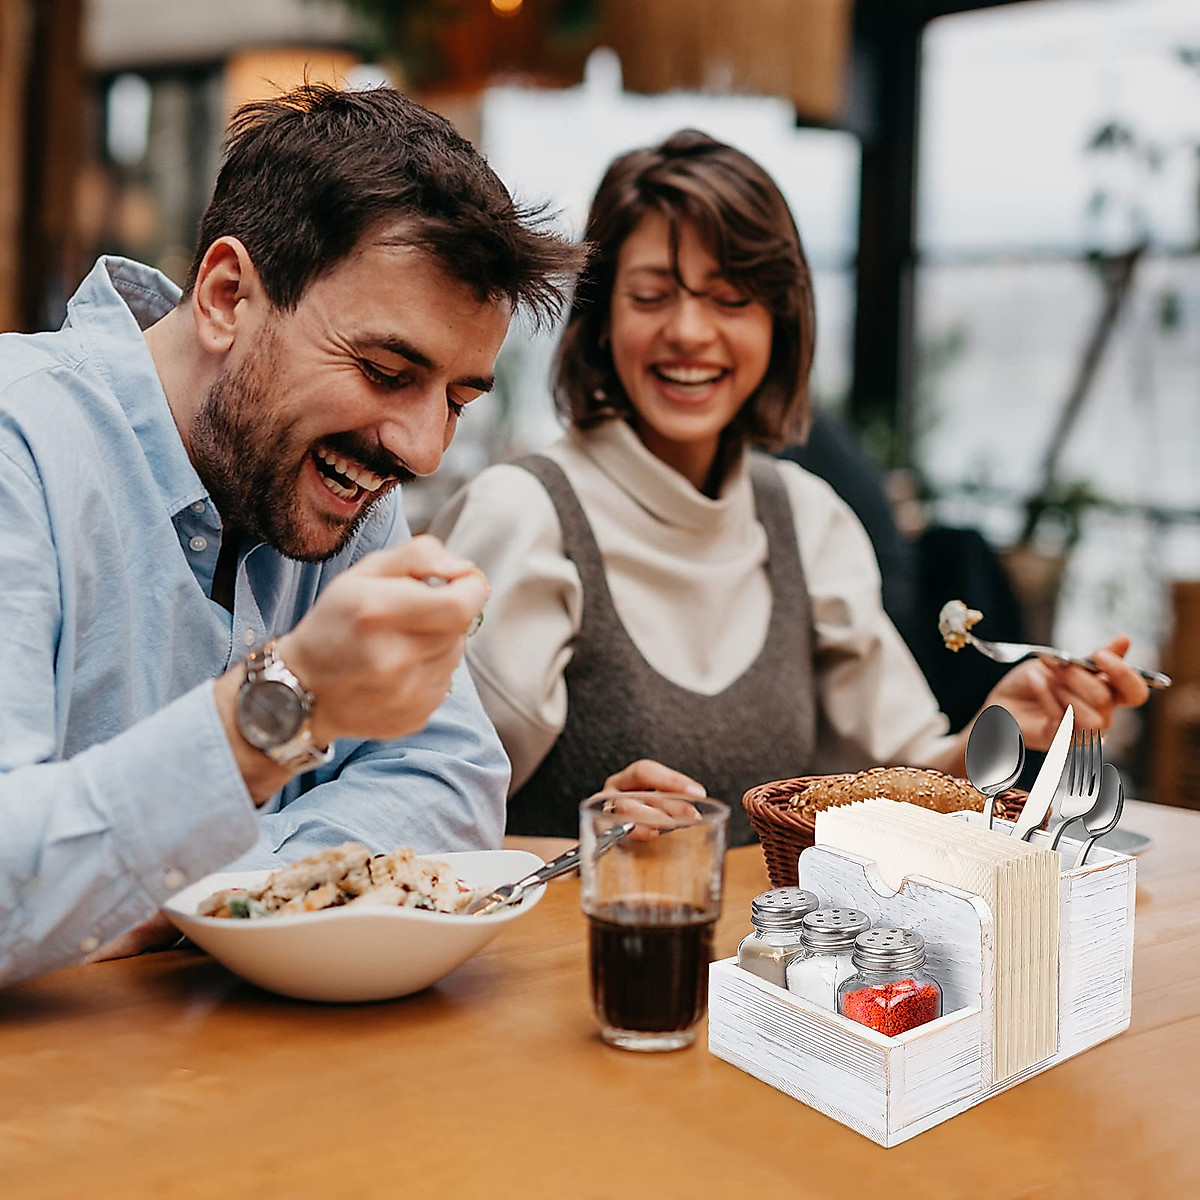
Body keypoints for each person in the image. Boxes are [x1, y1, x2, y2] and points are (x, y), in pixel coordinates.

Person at [0, 83, 582, 986]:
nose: (423, 451)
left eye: (458, 400)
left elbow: (454, 790)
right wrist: (285, 705)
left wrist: (170, 891)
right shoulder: (19, 446)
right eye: (388, 371)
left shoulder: (343, 482)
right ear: (228, 294)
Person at [430, 129, 1150, 843]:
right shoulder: (525, 515)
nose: (689, 331)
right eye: (652, 296)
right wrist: (591, 833)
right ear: (600, 321)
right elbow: (425, 804)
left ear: (780, 323)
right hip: (569, 951)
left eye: (730, 299)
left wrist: (1003, 722)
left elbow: (896, 778)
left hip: (773, 958)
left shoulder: (806, 520)